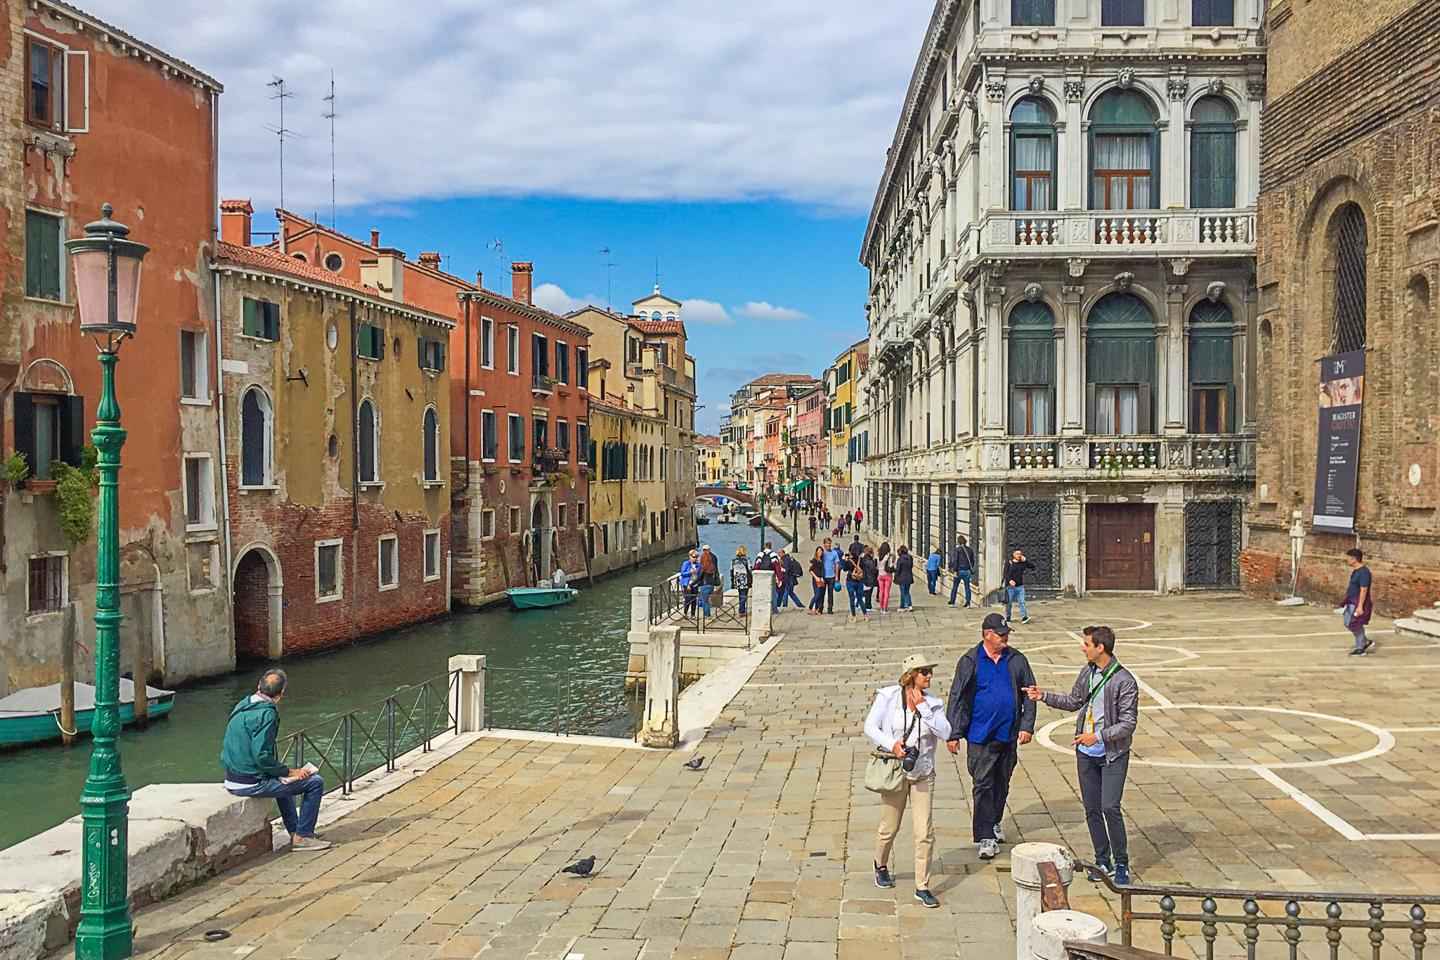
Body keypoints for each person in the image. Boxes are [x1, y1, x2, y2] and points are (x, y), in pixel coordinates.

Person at [1024, 625, 1138, 885]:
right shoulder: (1087, 672)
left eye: (1086, 644)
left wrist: (1097, 736)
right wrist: (1043, 696)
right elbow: (1075, 700)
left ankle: (1121, 863)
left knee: (1110, 806)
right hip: (1086, 753)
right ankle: (1102, 860)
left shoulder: (1124, 681)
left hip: (1112, 753)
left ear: (1101, 648)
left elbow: (1128, 723)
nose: (1082, 647)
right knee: (1092, 809)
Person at [944, 614, 1038, 861]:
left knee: (1002, 783)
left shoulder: (1017, 660)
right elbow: (957, 696)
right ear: (987, 634)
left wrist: (1027, 726)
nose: (1005, 638)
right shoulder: (970, 661)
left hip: (1007, 735)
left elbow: (1030, 693)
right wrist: (953, 732)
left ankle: (995, 820)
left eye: (1006, 634)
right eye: (1001, 634)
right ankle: (985, 836)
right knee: (982, 785)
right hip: (979, 736)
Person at [865, 653, 951, 909]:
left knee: (924, 832)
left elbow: (946, 732)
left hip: (923, 771)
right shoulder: (889, 697)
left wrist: (923, 708)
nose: (929, 676)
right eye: (924, 672)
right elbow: (870, 727)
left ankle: (922, 886)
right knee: (889, 827)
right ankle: (880, 863)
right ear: (911, 675)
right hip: (895, 769)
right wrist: (892, 744)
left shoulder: (933, 703)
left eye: (929, 672)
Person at [221, 669, 332, 851]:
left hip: (232, 778)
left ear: (259, 685)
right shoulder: (267, 714)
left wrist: (282, 773)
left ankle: (296, 831)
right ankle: (302, 837)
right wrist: (289, 771)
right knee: (315, 783)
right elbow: (262, 756)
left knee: (284, 782)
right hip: (251, 782)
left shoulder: (243, 704)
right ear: (281, 694)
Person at [1341, 548, 1375, 655]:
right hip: (1351, 601)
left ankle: (1360, 647)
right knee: (1348, 622)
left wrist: (1360, 606)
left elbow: (1363, 589)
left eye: (1349, 558)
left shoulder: (1364, 572)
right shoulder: (1356, 571)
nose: (1347, 560)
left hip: (1357, 602)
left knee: (1354, 622)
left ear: (1354, 559)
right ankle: (1364, 641)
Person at [1003, 549, 1036, 624]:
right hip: (1010, 587)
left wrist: (1026, 560)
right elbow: (1005, 574)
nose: (1019, 555)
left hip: (1020, 586)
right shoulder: (1009, 562)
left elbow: (1033, 567)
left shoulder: (1022, 563)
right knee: (1009, 603)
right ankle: (1008, 617)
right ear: (1013, 554)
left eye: (1020, 554)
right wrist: (1010, 580)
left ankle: (1024, 617)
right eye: (1017, 554)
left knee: (1022, 602)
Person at [948, 535, 976, 608]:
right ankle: (968, 603)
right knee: (967, 587)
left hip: (959, 571)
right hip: (967, 571)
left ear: (958, 542)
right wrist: (970, 568)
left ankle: (952, 602)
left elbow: (955, 560)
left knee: (955, 586)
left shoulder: (957, 550)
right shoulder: (970, 550)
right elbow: (972, 561)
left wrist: (954, 570)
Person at [843, 549, 868, 620]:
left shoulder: (849, 561)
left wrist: (845, 560)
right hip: (859, 581)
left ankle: (854, 616)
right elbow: (865, 571)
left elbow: (844, 569)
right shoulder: (861, 561)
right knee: (860, 599)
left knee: (852, 599)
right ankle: (865, 615)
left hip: (850, 581)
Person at [697, 546, 720, 617]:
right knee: (706, 600)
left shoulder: (704, 568)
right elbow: (716, 570)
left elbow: (700, 576)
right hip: (711, 584)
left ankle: (706, 616)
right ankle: (708, 615)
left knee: (705, 601)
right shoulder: (712, 566)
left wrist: (693, 583)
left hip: (705, 584)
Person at [821, 537, 842, 614]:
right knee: (822, 593)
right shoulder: (822, 553)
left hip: (832, 577)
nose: (828, 545)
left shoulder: (834, 553)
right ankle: (820, 608)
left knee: (830, 594)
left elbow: (837, 565)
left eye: (829, 543)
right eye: (827, 543)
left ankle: (830, 608)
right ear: (824, 544)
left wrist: (837, 576)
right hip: (823, 577)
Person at [730, 546, 752, 615]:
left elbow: (731, 570)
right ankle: (742, 610)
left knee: (740, 594)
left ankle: (741, 609)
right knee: (744, 595)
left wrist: (732, 579)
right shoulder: (747, 560)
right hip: (745, 579)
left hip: (737, 579)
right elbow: (750, 569)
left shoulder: (733, 560)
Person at [808, 547, 827, 615]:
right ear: (816, 552)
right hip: (816, 580)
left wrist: (822, 577)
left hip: (821, 579)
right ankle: (810, 607)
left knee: (820, 595)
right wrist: (816, 577)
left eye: (821, 551)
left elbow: (822, 570)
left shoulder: (821, 560)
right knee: (817, 594)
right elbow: (810, 570)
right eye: (819, 551)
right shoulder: (814, 560)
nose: (820, 553)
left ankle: (816, 609)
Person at [894, 546, 915, 611]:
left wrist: (895, 577)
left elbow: (898, 569)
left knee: (902, 592)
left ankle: (902, 606)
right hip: (909, 577)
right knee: (907, 592)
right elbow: (911, 566)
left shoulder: (900, 559)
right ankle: (909, 605)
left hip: (902, 578)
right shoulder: (910, 558)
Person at [680, 549, 700, 617]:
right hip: (687, 584)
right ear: (690, 556)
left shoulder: (698, 565)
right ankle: (685, 613)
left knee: (694, 600)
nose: (695, 558)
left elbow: (700, 573)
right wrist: (690, 572)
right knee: (688, 599)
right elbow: (682, 573)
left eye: (696, 557)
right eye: (694, 557)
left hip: (695, 584)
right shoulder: (686, 563)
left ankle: (693, 615)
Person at [877, 542, 894, 613]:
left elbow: (877, 566)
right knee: (886, 592)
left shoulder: (878, 556)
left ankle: (881, 608)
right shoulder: (888, 556)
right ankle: (885, 608)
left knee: (881, 592)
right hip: (887, 575)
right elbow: (891, 565)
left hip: (880, 575)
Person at [862, 545, 879, 613]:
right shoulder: (870, 561)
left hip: (865, 578)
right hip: (870, 579)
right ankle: (868, 606)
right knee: (868, 594)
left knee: (866, 594)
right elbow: (874, 570)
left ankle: (867, 606)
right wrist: (877, 569)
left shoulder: (863, 559)